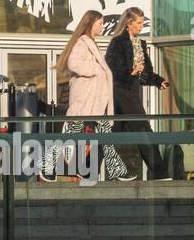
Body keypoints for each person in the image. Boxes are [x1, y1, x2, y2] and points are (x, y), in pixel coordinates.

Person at [41, 10, 128, 181]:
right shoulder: (83, 42)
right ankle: (48, 167)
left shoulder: (91, 43)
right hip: (85, 100)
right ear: (91, 23)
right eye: (100, 23)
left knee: (102, 134)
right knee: (72, 135)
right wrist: (96, 69)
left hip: (94, 102)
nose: (102, 26)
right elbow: (74, 63)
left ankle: (100, 170)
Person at [105, 7, 170, 181]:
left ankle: (89, 168)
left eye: (142, 22)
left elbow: (146, 72)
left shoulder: (140, 44)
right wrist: (130, 72)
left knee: (111, 132)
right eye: (139, 23)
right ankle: (158, 171)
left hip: (131, 91)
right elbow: (111, 68)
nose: (141, 26)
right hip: (120, 92)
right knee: (143, 129)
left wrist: (157, 81)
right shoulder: (118, 42)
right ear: (129, 23)